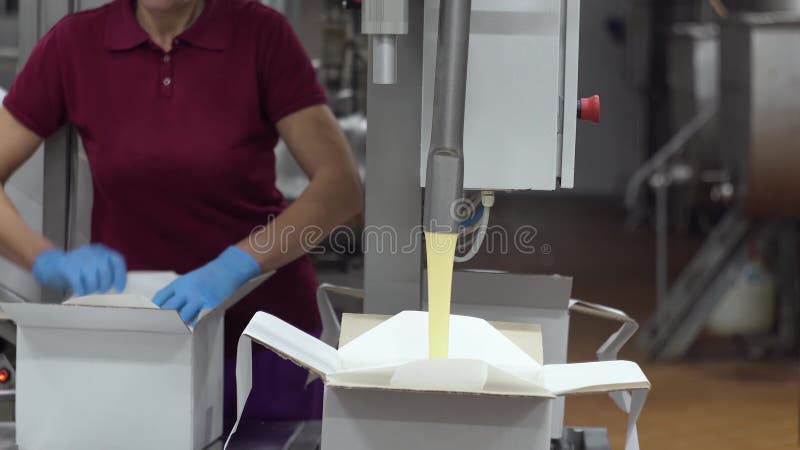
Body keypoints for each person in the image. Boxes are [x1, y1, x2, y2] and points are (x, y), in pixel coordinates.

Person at [0, 0, 362, 420]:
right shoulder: (75, 44)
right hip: (143, 339)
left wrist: (238, 263)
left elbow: (340, 188)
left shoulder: (260, 35)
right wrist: (45, 260)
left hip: (264, 340)